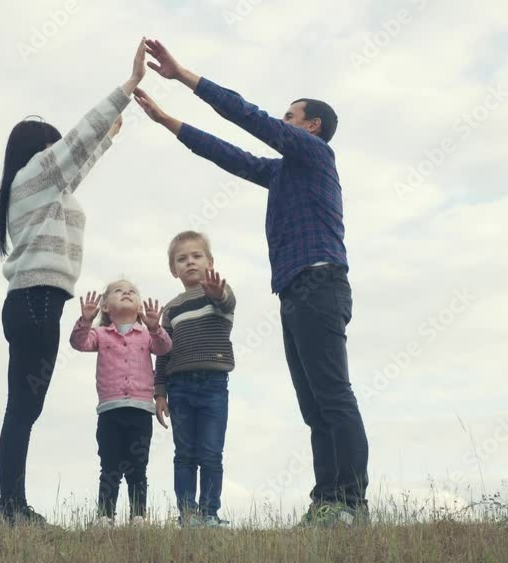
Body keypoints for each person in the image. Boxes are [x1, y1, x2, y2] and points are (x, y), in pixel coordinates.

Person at [135, 39, 370, 526]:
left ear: (312, 127)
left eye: (291, 116)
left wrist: (184, 77)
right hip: (294, 292)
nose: (282, 122)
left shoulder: (316, 155)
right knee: (313, 406)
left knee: (333, 396)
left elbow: (247, 116)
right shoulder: (285, 173)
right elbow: (226, 154)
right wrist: (167, 122)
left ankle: (352, 501)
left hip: (320, 283)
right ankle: (328, 500)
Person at [0, 38, 148, 526]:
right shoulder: (36, 173)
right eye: (54, 146)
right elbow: (77, 142)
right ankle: (12, 508)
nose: (60, 154)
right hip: (36, 304)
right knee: (22, 410)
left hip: (35, 305)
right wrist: (128, 87)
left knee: (23, 409)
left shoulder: (36, 186)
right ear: (42, 149)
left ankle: (12, 508)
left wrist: (109, 138)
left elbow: (79, 159)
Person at [69, 280, 171, 527]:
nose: (126, 292)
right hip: (110, 412)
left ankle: (138, 516)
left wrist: (156, 327)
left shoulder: (147, 335)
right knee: (110, 465)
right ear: (105, 306)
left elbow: (165, 347)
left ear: (139, 307)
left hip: (140, 412)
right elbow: (78, 343)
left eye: (132, 291)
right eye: (118, 291)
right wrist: (84, 321)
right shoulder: (100, 334)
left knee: (138, 466)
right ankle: (105, 516)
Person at [153, 231, 235, 528]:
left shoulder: (218, 293)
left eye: (196, 256)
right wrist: (160, 391)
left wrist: (216, 293)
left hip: (214, 386)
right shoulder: (172, 308)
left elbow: (226, 302)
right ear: (173, 269)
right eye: (182, 259)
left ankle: (209, 513)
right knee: (184, 452)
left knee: (211, 452)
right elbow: (162, 352)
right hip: (179, 387)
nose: (190, 262)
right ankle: (187, 516)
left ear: (209, 261)